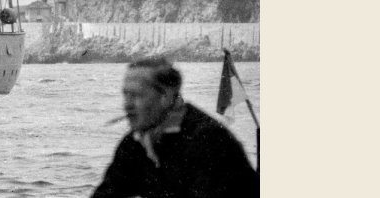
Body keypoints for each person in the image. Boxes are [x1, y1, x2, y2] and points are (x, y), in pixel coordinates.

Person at [93, 57, 259, 198]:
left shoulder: (208, 140)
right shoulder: (135, 143)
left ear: (165, 97)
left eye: (137, 95)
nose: (127, 105)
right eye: (126, 95)